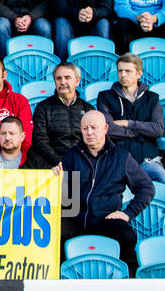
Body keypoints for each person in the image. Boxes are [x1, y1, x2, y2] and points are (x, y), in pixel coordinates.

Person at [59, 110, 153, 273]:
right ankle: (59, 278)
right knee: (53, 234)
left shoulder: (121, 157)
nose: (89, 133)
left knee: (127, 237)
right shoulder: (71, 156)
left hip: (106, 218)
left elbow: (146, 188)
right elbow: (64, 196)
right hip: (76, 218)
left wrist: (128, 213)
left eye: (94, 128)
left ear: (105, 128)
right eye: (85, 128)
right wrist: (57, 179)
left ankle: (123, 277)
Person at [96, 51, 165, 174]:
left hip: (148, 158)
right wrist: (139, 131)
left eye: (127, 71)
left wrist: (127, 123)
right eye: (120, 71)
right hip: (118, 157)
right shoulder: (105, 97)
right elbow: (108, 128)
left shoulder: (152, 98)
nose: (123, 75)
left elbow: (158, 129)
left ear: (139, 74)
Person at [29, 64, 93, 168]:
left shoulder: (88, 109)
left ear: (77, 81)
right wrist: (58, 161)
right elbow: (39, 140)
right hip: (52, 165)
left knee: (75, 180)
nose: (62, 82)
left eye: (67, 78)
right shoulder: (43, 108)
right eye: (59, 78)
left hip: (80, 163)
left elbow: (92, 139)